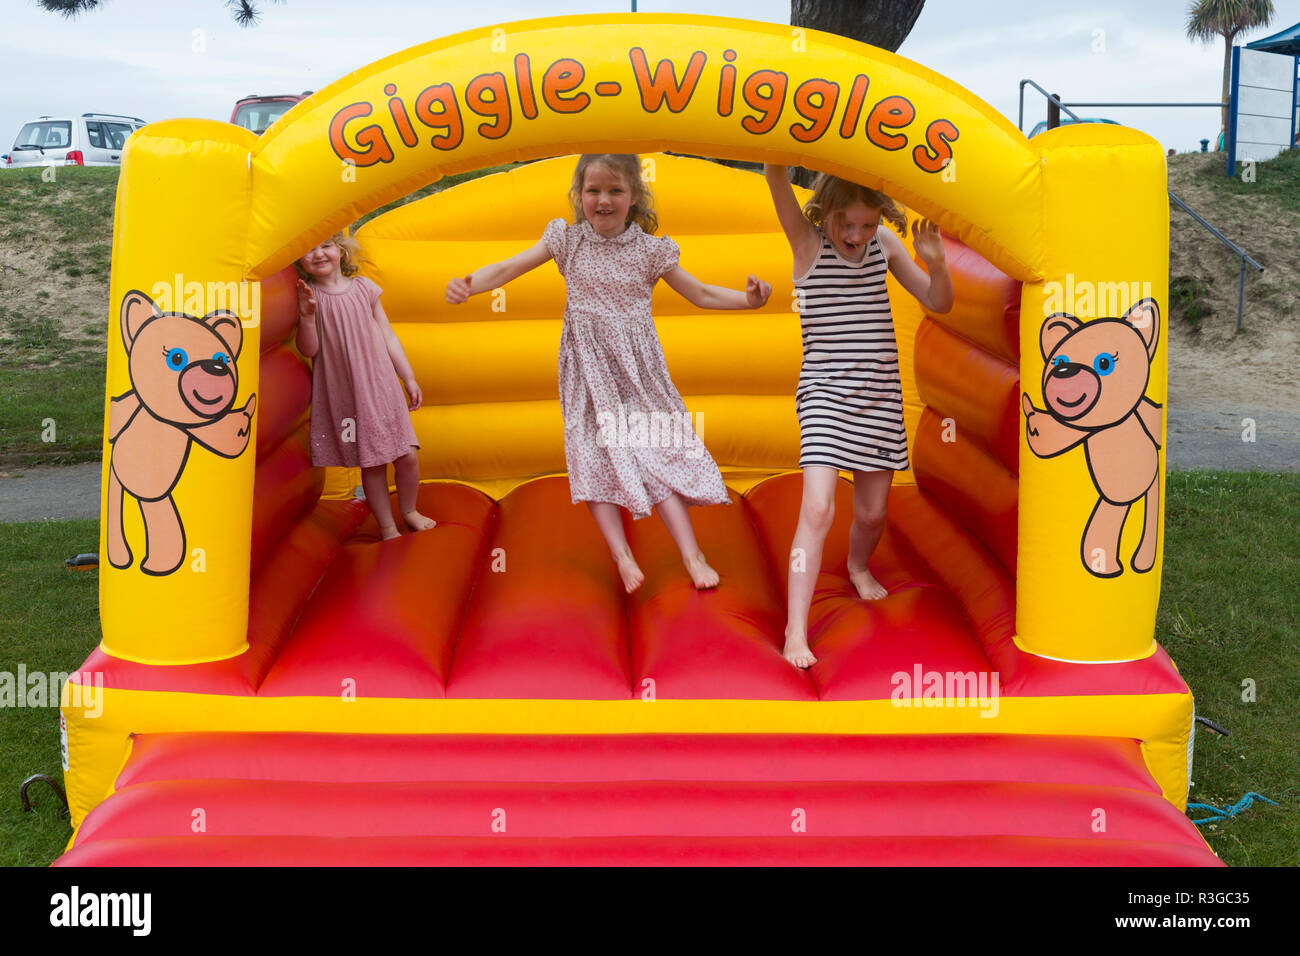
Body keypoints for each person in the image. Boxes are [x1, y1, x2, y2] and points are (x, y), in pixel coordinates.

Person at [446, 153, 772, 592]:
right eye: (593, 190)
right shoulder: (568, 240)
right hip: (586, 370)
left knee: (656, 454)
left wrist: (748, 301)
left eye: (615, 190)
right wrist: (471, 283)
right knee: (591, 456)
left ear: (634, 196)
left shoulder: (651, 251)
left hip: (638, 372)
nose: (603, 199)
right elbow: (509, 267)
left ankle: (693, 555)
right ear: (579, 195)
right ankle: (621, 555)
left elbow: (701, 293)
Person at [763, 165, 953, 668]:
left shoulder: (885, 244)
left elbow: (940, 302)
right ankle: (795, 631)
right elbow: (774, 175)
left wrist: (936, 263)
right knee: (820, 508)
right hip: (825, 396)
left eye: (866, 225)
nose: (855, 235)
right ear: (825, 214)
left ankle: (857, 565)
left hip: (878, 398)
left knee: (871, 514)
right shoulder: (807, 242)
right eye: (846, 223)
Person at [296, 231, 436, 540]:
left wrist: (408, 376)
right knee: (371, 463)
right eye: (309, 250)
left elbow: (387, 335)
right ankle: (387, 526)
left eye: (326, 245)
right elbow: (309, 349)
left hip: (381, 385)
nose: (318, 253)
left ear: (342, 252)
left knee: (407, 455)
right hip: (347, 392)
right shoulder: (310, 297)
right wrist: (306, 317)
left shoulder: (363, 288)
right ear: (300, 262)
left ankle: (409, 510)